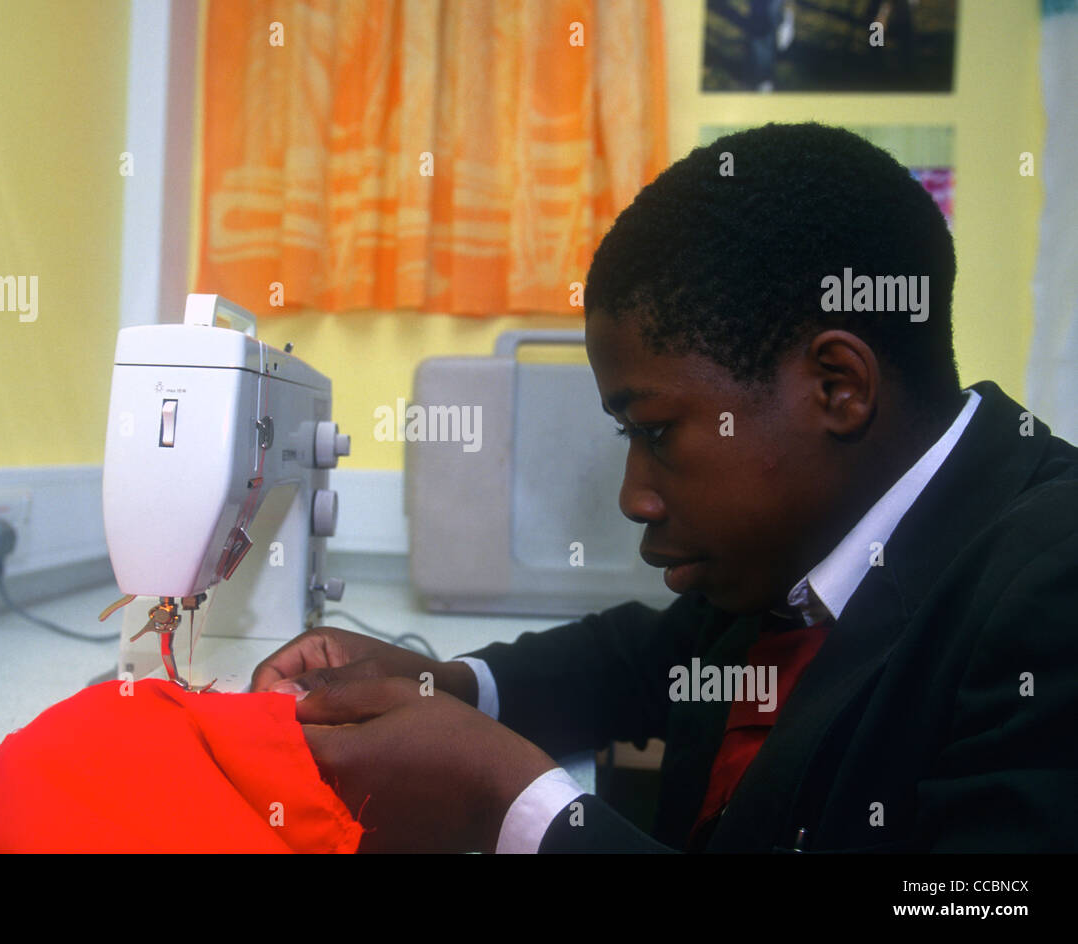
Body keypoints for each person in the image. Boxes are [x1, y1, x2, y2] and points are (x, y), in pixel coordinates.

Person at [250, 122, 1078, 854]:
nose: (634, 497)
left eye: (654, 432)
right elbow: (651, 665)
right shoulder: (804, 544)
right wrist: (448, 685)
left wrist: (518, 813)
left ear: (838, 387)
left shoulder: (1050, 594)